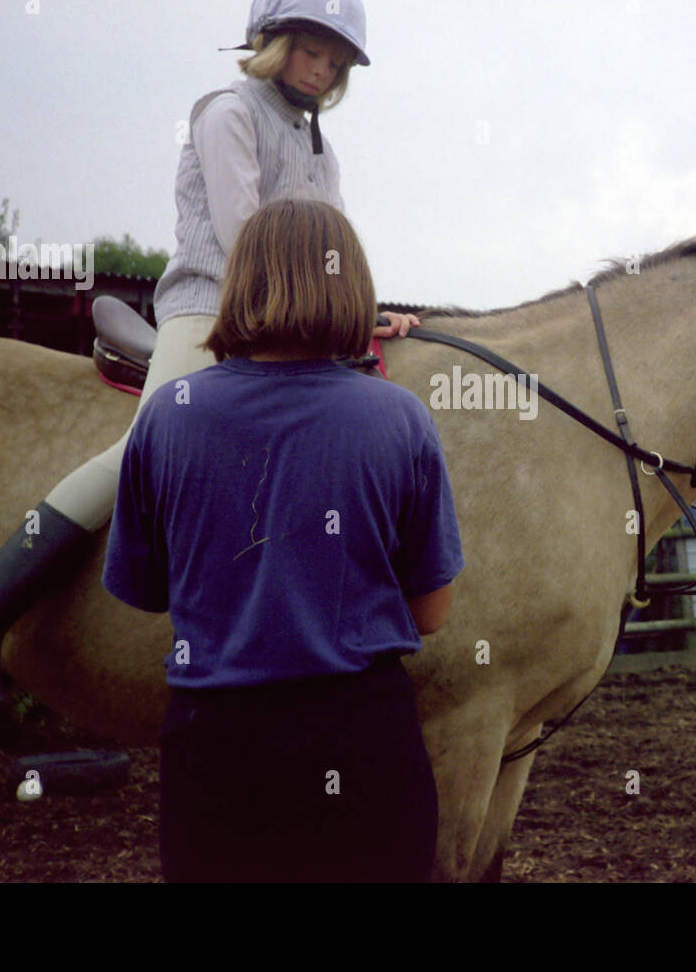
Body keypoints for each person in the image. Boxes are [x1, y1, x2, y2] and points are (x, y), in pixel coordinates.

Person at [0, 0, 418, 715]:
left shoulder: (320, 149)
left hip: (295, 319)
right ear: (273, 43)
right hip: (210, 306)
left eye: (336, 61)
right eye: (311, 51)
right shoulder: (227, 112)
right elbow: (242, 237)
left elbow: (334, 246)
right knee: (143, 449)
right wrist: (322, 310)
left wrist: (365, 308)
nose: (323, 70)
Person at [104, 198, 463, 882]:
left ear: (239, 284)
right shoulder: (400, 418)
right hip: (363, 751)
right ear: (351, 285)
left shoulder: (168, 416)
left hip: (214, 752)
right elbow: (431, 613)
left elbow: (145, 591)